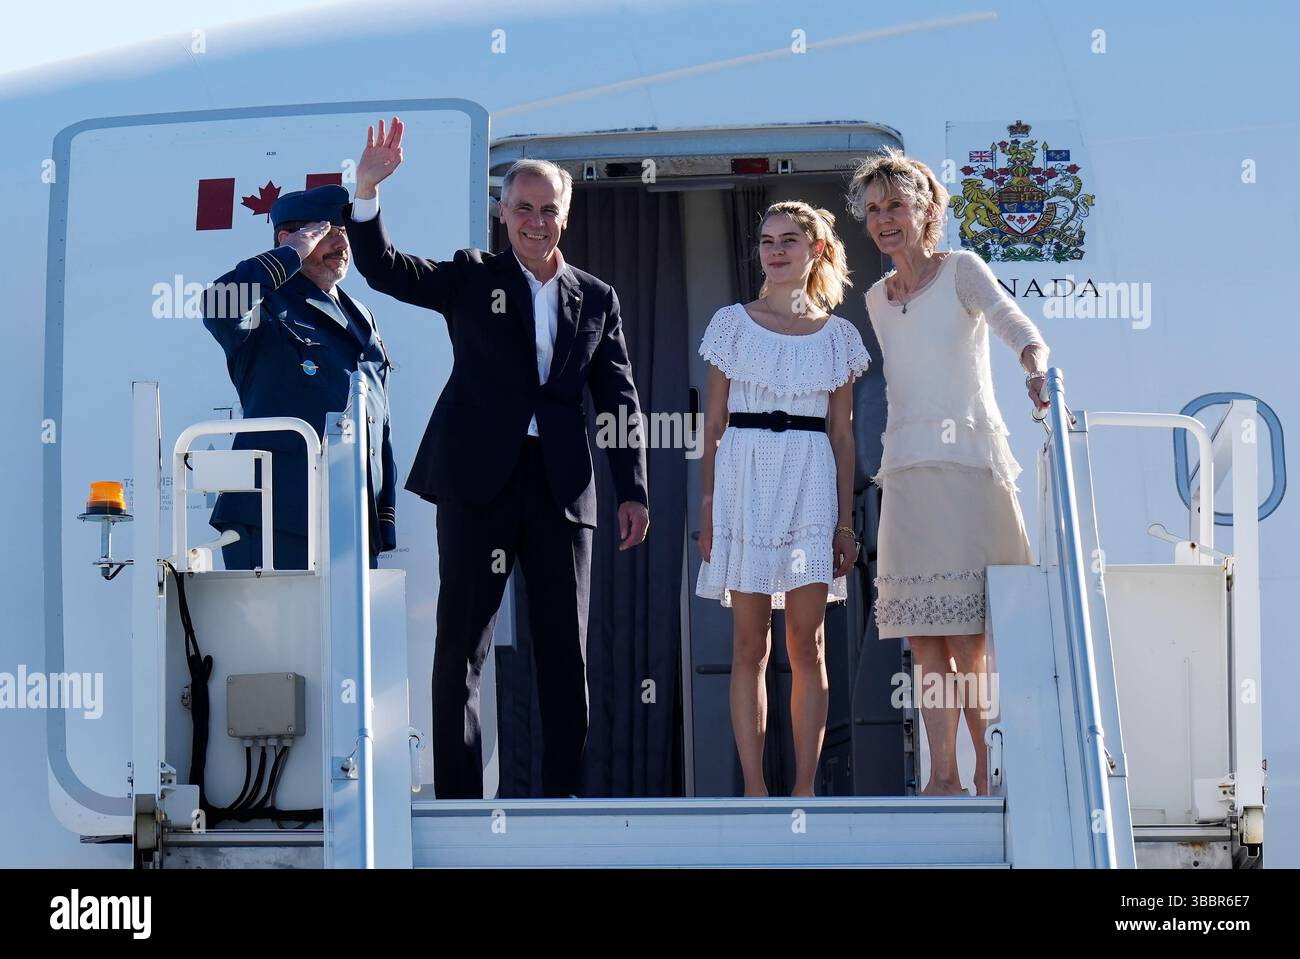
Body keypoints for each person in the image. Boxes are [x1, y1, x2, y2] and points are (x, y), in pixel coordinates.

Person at [344, 118, 650, 799]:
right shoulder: (469, 275)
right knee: (461, 648)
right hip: (477, 482)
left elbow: (617, 395)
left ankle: (562, 797)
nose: (535, 222)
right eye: (523, 209)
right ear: (502, 214)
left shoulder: (596, 297)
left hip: (562, 489)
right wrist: (365, 191)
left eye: (548, 211)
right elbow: (384, 269)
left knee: (562, 653)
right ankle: (458, 801)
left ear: (564, 218)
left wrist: (633, 488)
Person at [847, 147, 1050, 796]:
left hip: (968, 470)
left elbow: (1012, 322)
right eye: (874, 210)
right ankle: (943, 776)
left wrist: (1035, 363)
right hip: (906, 475)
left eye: (896, 206)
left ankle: (986, 772)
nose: (884, 221)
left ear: (927, 210)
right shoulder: (876, 299)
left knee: (968, 636)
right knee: (923, 636)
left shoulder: (961, 269)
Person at [696, 201, 870, 797]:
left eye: (789, 240)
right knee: (750, 644)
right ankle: (754, 789)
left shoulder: (840, 338)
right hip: (745, 482)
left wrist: (846, 524)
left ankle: (804, 788)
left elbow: (843, 435)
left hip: (811, 484)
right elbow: (713, 425)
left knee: (807, 641)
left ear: (815, 249)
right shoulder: (730, 324)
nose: (775, 250)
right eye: (767, 240)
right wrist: (707, 508)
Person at [201, 184, 397, 570]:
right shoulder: (267, 303)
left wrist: (382, 514)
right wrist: (288, 255)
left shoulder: (361, 314)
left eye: (346, 231)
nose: (342, 241)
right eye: (327, 231)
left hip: (352, 518)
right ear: (288, 238)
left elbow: (378, 419)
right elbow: (217, 304)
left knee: (347, 633)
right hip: (277, 518)